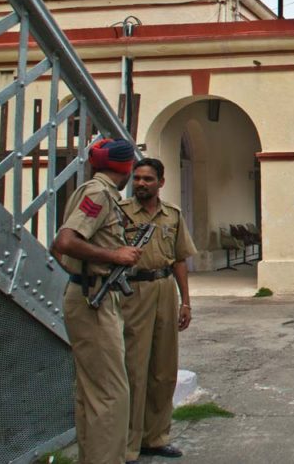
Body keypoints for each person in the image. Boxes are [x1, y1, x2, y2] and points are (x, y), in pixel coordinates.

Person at [52, 139, 141, 464]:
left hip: (90, 292)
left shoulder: (95, 190)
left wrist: (79, 274)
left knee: (93, 392)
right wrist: (112, 255)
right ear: (126, 167)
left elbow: (59, 246)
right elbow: (65, 241)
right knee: (111, 393)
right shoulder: (98, 194)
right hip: (94, 300)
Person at [118, 159, 196, 462]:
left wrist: (185, 301)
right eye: (137, 178)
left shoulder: (172, 216)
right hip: (133, 290)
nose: (141, 184)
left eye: (148, 179)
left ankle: (156, 437)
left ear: (160, 182)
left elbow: (179, 259)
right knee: (133, 368)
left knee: (163, 369)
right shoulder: (121, 213)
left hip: (164, 288)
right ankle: (128, 444)